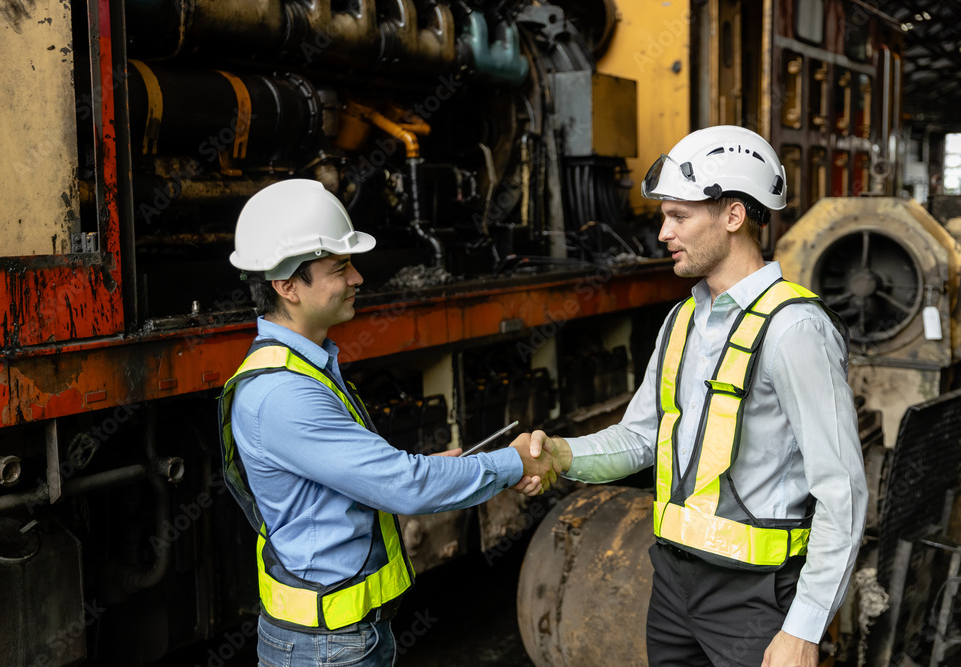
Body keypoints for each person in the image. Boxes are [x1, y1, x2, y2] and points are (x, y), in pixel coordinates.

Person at [529, 126, 867, 667]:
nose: (663, 233)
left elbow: (842, 491)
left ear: (733, 216)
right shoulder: (682, 320)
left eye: (678, 217)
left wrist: (803, 628)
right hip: (673, 583)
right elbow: (642, 437)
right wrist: (563, 455)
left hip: (755, 597)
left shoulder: (795, 329)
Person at [217, 179, 560, 667]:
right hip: (326, 647)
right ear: (287, 286)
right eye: (340, 268)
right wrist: (513, 462)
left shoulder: (304, 367)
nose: (358, 278)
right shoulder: (284, 393)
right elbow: (403, 486)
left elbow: (364, 475)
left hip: (336, 635)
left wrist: (420, 470)